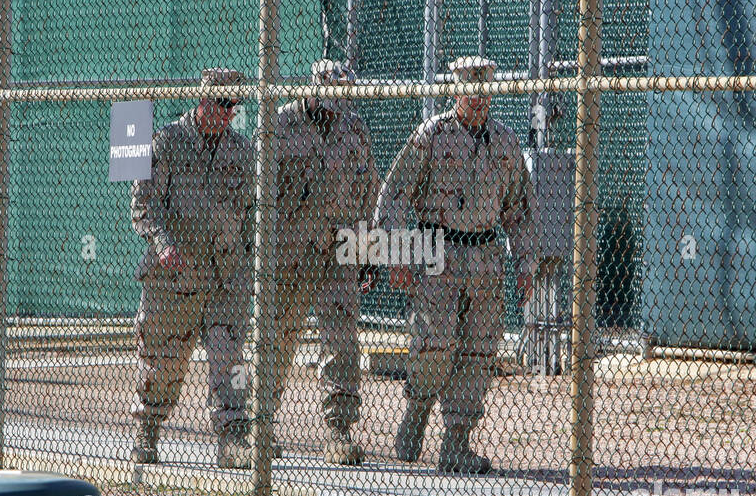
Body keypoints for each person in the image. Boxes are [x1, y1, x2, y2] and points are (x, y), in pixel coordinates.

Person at [375, 56, 539, 474]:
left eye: (486, 89)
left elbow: (518, 211)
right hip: (437, 252)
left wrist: (525, 262)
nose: (479, 97)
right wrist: (395, 255)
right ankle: (415, 416)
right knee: (434, 342)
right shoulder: (432, 136)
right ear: (455, 91)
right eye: (471, 89)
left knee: (478, 351)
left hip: (486, 258)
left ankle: (456, 442)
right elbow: (394, 195)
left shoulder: (505, 143)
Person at [130, 67, 253, 468]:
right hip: (175, 274)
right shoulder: (167, 142)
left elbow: (253, 213)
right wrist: (164, 246)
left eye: (233, 106)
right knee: (164, 360)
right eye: (221, 104)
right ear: (202, 101)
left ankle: (233, 436)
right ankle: (148, 428)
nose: (228, 112)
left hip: (225, 276)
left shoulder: (243, 151)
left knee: (230, 358)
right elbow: (143, 205)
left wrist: (247, 263)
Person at [261, 59, 381, 464]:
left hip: (339, 248)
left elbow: (369, 191)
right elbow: (259, 194)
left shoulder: (355, 128)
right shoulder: (280, 125)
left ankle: (338, 431)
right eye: (332, 95)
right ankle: (261, 422)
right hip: (291, 250)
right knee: (278, 336)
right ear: (313, 87)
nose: (338, 104)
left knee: (342, 339)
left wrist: (370, 253)